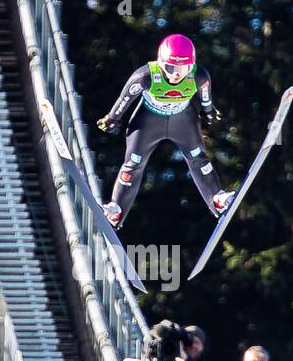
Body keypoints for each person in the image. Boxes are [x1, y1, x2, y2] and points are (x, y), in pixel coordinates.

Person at [96, 33, 235, 229]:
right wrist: (113, 118)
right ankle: (116, 209)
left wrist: (209, 113)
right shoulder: (145, 76)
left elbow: (206, 99)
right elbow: (124, 99)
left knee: (198, 157)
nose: (177, 74)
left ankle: (217, 198)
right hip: (148, 121)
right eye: (171, 68)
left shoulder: (200, 76)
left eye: (184, 68)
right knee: (133, 163)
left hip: (183, 120)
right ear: (160, 63)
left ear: (192, 65)